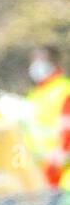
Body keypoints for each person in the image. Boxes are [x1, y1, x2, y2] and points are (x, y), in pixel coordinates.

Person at [23, 46, 70, 190]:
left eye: (42, 60)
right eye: (34, 60)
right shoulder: (34, 95)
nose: (37, 65)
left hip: (64, 166)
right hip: (42, 169)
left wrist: (62, 154)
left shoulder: (64, 88)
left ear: (55, 62)